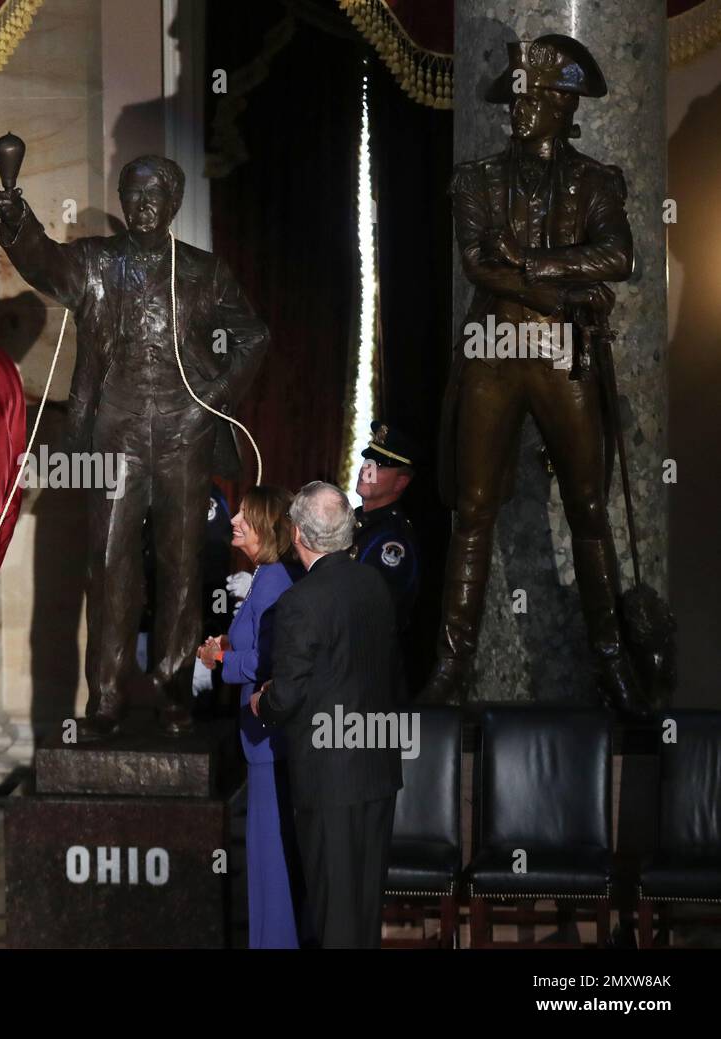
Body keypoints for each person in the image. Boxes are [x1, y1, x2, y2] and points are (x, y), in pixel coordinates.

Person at [0, 155, 268, 737]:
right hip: (113, 434)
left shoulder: (203, 271)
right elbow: (45, 266)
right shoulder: (96, 262)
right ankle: (106, 701)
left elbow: (254, 337)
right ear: (122, 200)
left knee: (181, 565)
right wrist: (19, 219)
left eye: (155, 194)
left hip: (184, 434)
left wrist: (212, 396)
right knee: (110, 564)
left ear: (173, 203)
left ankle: (174, 696)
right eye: (133, 193)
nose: (143, 203)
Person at [427, 34, 649, 720]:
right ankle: (452, 663)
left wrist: (531, 260)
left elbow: (619, 256)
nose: (522, 107)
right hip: (496, 347)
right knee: (473, 509)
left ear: (566, 104)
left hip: (563, 356)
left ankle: (611, 661)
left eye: (538, 96)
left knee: (589, 509)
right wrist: (558, 287)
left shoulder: (598, 181)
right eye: (518, 94)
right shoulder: (476, 178)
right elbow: (477, 265)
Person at [251, 482, 403, 948]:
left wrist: (263, 702)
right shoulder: (375, 583)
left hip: (329, 779)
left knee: (332, 914)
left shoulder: (300, 601)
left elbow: (288, 695)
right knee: (363, 913)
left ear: (297, 533)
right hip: (377, 768)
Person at [197, 485, 297, 948]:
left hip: (269, 741)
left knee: (270, 857)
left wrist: (222, 662)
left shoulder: (274, 580)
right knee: (260, 855)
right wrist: (228, 647)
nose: (234, 521)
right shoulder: (263, 575)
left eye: (244, 516)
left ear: (266, 528)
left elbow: (275, 661)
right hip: (258, 741)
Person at [352, 421, 420, 631]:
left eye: (379, 466)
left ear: (400, 483)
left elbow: (366, 617)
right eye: (368, 459)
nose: (367, 468)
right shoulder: (354, 519)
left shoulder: (392, 540)